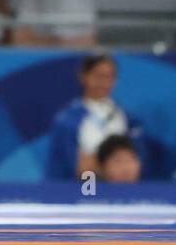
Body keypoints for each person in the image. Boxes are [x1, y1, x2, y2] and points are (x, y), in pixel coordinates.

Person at [46, 52, 143, 180]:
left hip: (120, 188)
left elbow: (134, 163)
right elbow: (73, 167)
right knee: (90, 190)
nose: (104, 82)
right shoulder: (67, 119)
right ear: (83, 76)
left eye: (110, 77)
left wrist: (103, 164)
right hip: (84, 187)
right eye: (99, 76)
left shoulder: (127, 118)